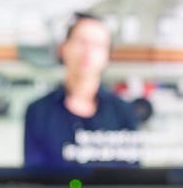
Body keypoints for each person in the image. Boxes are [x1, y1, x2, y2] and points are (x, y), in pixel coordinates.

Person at [24, 13, 139, 168]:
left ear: (107, 56)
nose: (88, 51)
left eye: (97, 45)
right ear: (63, 48)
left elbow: (133, 178)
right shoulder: (38, 111)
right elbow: (33, 179)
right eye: (81, 42)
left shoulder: (124, 112)